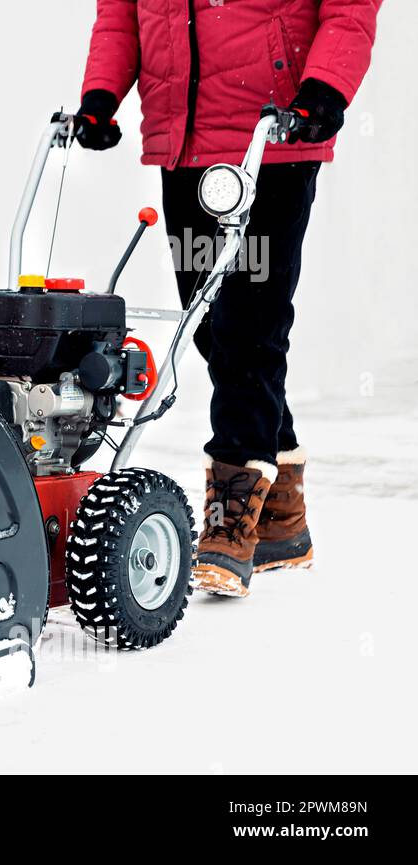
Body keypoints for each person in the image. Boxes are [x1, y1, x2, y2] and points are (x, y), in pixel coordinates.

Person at [75, 0, 381, 597]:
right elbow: (120, 17)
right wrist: (102, 95)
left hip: (272, 143)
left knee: (249, 327)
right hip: (183, 147)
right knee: (211, 324)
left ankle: (231, 516)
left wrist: (325, 91)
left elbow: (349, 11)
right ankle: (283, 520)